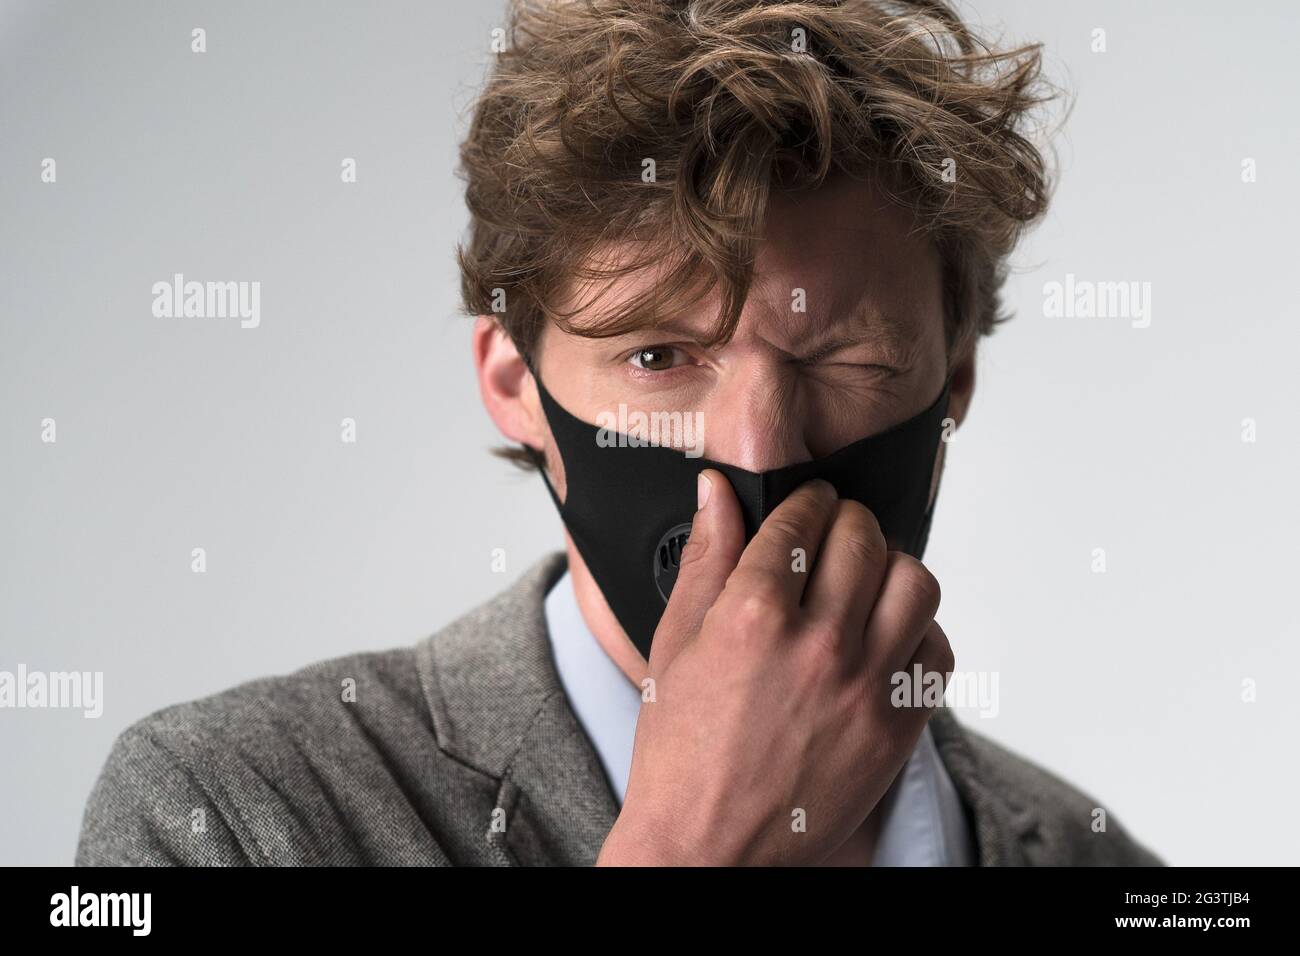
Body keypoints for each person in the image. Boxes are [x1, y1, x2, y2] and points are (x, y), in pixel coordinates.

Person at [77, 0, 1162, 867]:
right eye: (659, 357)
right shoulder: (228, 811)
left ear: (953, 384)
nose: (753, 450)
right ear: (514, 384)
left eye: (845, 359)